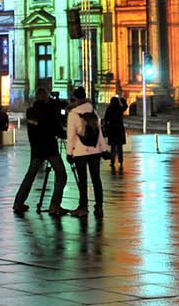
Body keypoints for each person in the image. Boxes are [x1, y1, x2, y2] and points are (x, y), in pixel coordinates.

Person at [11, 87, 67, 215]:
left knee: (30, 175)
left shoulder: (30, 111)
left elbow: (34, 129)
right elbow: (56, 129)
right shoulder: (49, 111)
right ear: (46, 97)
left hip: (36, 149)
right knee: (62, 175)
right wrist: (65, 134)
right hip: (50, 148)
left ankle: (18, 202)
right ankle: (55, 205)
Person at [63, 86, 105, 218]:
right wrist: (103, 149)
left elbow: (71, 135)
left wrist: (69, 153)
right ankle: (99, 207)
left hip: (80, 151)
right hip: (95, 150)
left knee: (83, 180)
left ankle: (83, 207)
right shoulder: (92, 110)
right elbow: (99, 133)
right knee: (96, 179)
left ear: (74, 98)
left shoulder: (73, 113)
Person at [102, 93, 128, 174]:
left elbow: (106, 119)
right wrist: (122, 100)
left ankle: (112, 161)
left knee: (113, 147)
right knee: (120, 147)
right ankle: (120, 161)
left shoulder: (109, 109)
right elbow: (126, 106)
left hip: (112, 130)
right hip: (119, 130)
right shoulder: (119, 108)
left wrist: (105, 127)